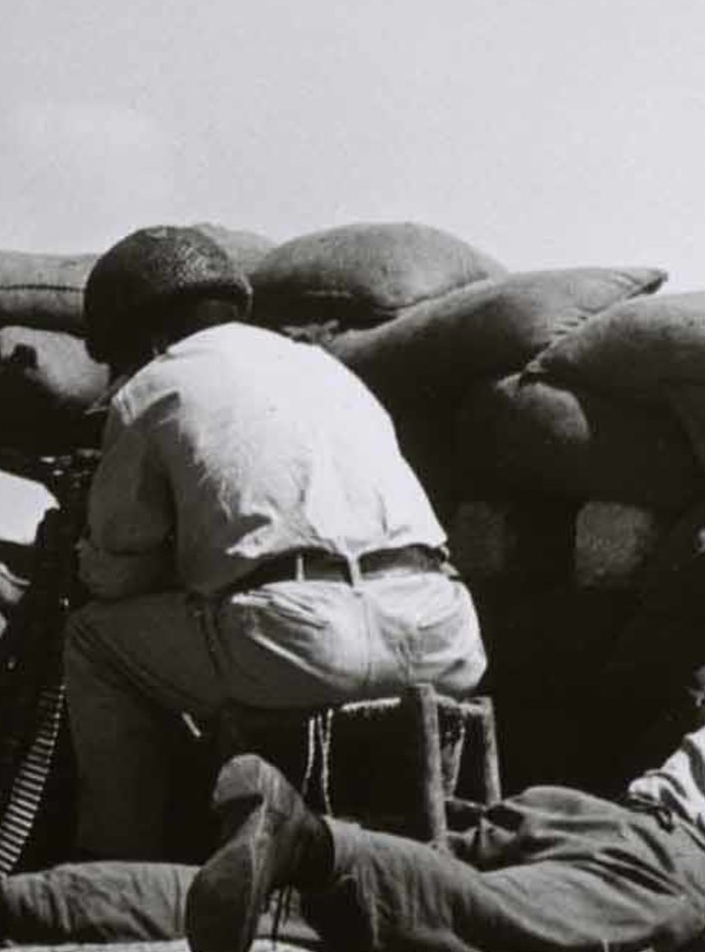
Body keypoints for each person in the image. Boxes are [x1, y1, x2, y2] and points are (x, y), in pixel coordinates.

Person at [181, 555, 705, 952]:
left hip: (590, 812)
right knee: (483, 920)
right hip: (672, 867)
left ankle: (99, 896)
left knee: (429, 874)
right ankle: (308, 839)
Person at [60, 225, 485, 859]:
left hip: (305, 644)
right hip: (442, 633)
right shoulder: (327, 367)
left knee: (94, 637)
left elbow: (118, 574)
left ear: (145, 338)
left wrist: (85, 554)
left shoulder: (153, 386)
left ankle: (119, 866)